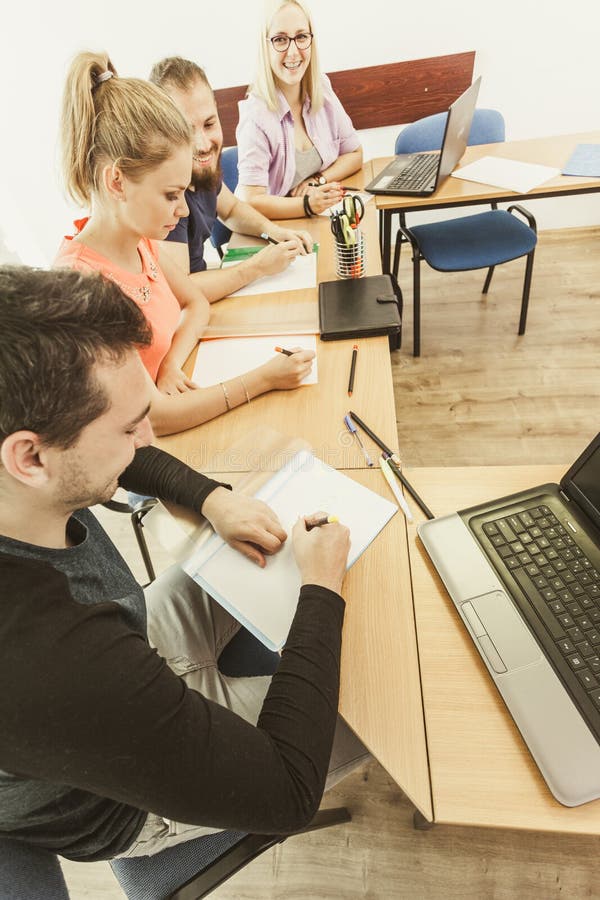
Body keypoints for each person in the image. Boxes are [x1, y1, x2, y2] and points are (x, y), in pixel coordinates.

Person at [0, 265, 361, 861]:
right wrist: (321, 590)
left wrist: (211, 497)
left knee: (283, 563)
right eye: (128, 425)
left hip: (121, 653)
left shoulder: (28, 470)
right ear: (31, 458)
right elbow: (288, 792)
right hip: (124, 803)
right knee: (379, 706)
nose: (149, 436)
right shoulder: (48, 660)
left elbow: (116, 452)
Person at [54, 52, 314, 437]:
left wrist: (171, 363)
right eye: (171, 195)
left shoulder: (139, 241)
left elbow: (195, 302)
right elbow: (154, 417)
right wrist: (262, 379)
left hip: (182, 405)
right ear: (117, 183)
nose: (182, 210)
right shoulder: (82, 286)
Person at [150, 56, 314, 303]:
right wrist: (257, 267)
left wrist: (274, 231)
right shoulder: (164, 192)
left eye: (209, 124)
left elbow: (232, 209)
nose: (203, 145)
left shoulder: (202, 170)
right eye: (186, 131)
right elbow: (180, 293)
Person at [236, 0, 363, 220]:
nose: (293, 52)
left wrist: (316, 181)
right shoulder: (255, 118)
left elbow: (354, 154)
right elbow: (250, 200)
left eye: (301, 37)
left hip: (313, 221)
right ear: (265, 46)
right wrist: (307, 204)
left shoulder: (321, 89)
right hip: (273, 232)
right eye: (280, 40)